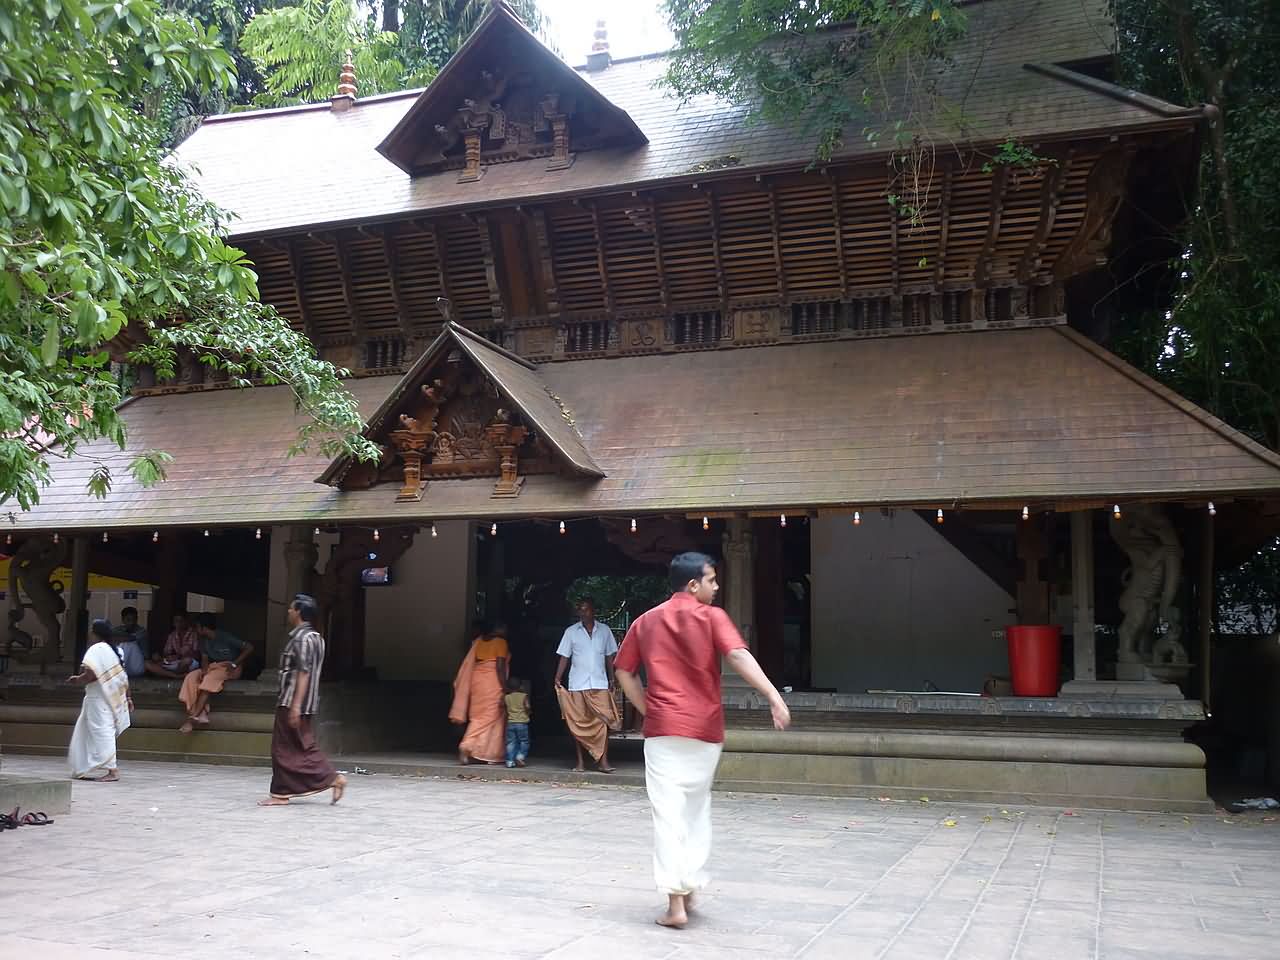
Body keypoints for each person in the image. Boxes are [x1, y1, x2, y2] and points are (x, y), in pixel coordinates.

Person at [614, 552, 791, 930]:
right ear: (692, 584)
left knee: (668, 814)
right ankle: (688, 887)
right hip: (706, 731)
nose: (715, 587)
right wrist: (774, 697)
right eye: (711, 580)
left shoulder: (646, 621)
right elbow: (739, 656)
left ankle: (675, 903)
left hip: (664, 731)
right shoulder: (713, 617)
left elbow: (624, 671)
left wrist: (648, 708)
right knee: (695, 811)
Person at [259, 594, 347, 806]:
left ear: (299, 612)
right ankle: (325, 779)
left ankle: (286, 792)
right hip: (307, 701)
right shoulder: (318, 638)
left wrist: (295, 706)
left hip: (292, 700)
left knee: (283, 748)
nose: (289, 611)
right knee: (302, 745)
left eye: (291, 609)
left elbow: (303, 672)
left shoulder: (301, 638)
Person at [554, 597, 620, 773]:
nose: (583, 612)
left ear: (594, 611)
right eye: (580, 609)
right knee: (578, 723)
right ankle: (580, 762)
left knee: (603, 722)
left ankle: (603, 761)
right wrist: (557, 677)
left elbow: (609, 657)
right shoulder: (571, 632)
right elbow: (564, 657)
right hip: (577, 684)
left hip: (600, 683)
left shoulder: (605, 631)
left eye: (586, 609)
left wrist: (612, 679)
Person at [67, 619, 134, 782]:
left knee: (101, 731)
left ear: (95, 633)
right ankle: (84, 766)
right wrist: (129, 697)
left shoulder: (96, 650)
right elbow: (123, 677)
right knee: (94, 731)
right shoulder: (116, 651)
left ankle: (112, 770)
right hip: (111, 698)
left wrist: (76, 680)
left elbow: (91, 676)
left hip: (98, 698)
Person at [178, 613, 253, 734]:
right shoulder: (203, 640)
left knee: (208, 680)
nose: (195, 630)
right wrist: (203, 670)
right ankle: (199, 712)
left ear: (204, 628)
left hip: (231, 668)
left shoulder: (225, 637)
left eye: (197, 627)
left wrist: (235, 663)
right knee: (191, 677)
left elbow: (249, 647)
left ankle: (192, 719)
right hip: (215, 666)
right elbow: (205, 658)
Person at [448, 623, 509, 765]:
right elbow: (500, 667)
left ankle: (481, 753)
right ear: (496, 629)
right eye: (504, 627)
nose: (506, 630)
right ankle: (467, 745)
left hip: (477, 680)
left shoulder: (478, 641)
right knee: (490, 717)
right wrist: (504, 687)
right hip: (492, 682)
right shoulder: (501, 642)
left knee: (477, 716)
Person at [145, 612, 201, 678]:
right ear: (173, 623)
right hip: (175, 663)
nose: (179, 624)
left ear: (186, 622)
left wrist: (179, 656)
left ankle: (165, 673)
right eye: (176, 621)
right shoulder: (172, 635)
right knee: (147, 664)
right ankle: (176, 675)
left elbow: (197, 654)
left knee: (187, 661)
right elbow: (166, 653)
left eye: (181, 621)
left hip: (189, 663)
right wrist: (162, 657)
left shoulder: (194, 633)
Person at [504, 677, 532, 768]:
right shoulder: (524, 696)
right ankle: (520, 756)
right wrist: (528, 712)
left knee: (511, 742)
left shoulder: (507, 697)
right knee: (524, 741)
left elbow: (503, 707)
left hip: (511, 723)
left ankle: (509, 761)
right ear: (521, 686)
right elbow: (527, 706)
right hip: (522, 723)